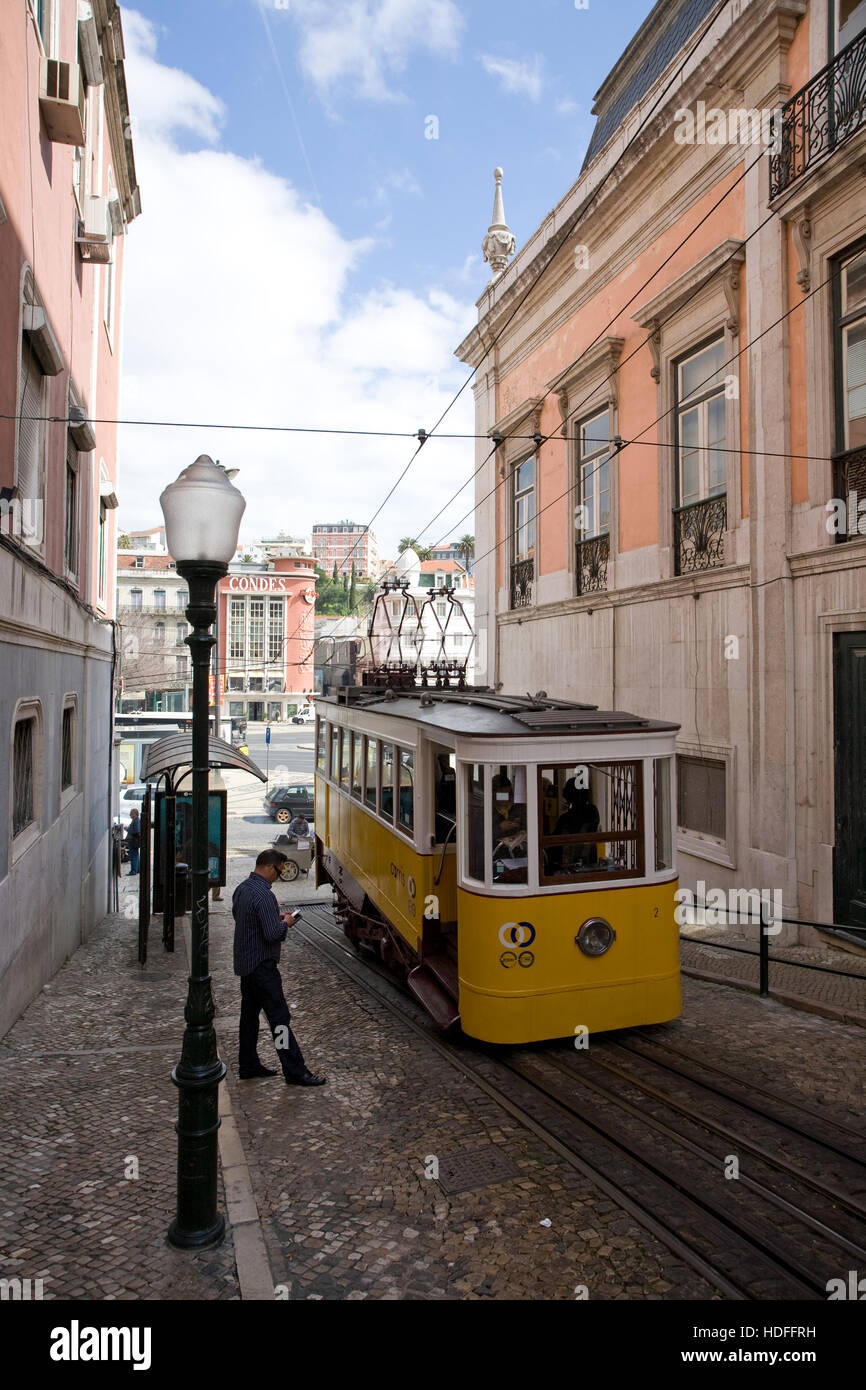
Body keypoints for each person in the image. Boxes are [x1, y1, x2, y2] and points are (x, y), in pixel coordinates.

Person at [232, 849, 326, 1086]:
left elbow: (247, 920)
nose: (279, 876)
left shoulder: (242, 889)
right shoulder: (264, 895)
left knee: (249, 1018)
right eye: (279, 871)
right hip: (263, 967)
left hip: (246, 965)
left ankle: (248, 1065)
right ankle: (294, 1070)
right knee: (279, 1020)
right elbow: (273, 933)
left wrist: (276, 917)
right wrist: (286, 923)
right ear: (269, 867)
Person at [125, 808, 141, 877]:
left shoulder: (136, 820)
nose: (130, 815)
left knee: (133, 856)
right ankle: (137, 869)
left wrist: (127, 829)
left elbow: (136, 831)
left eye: (131, 813)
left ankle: (133, 871)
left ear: (134, 814)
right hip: (134, 841)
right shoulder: (136, 820)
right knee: (136, 855)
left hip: (133, 841)